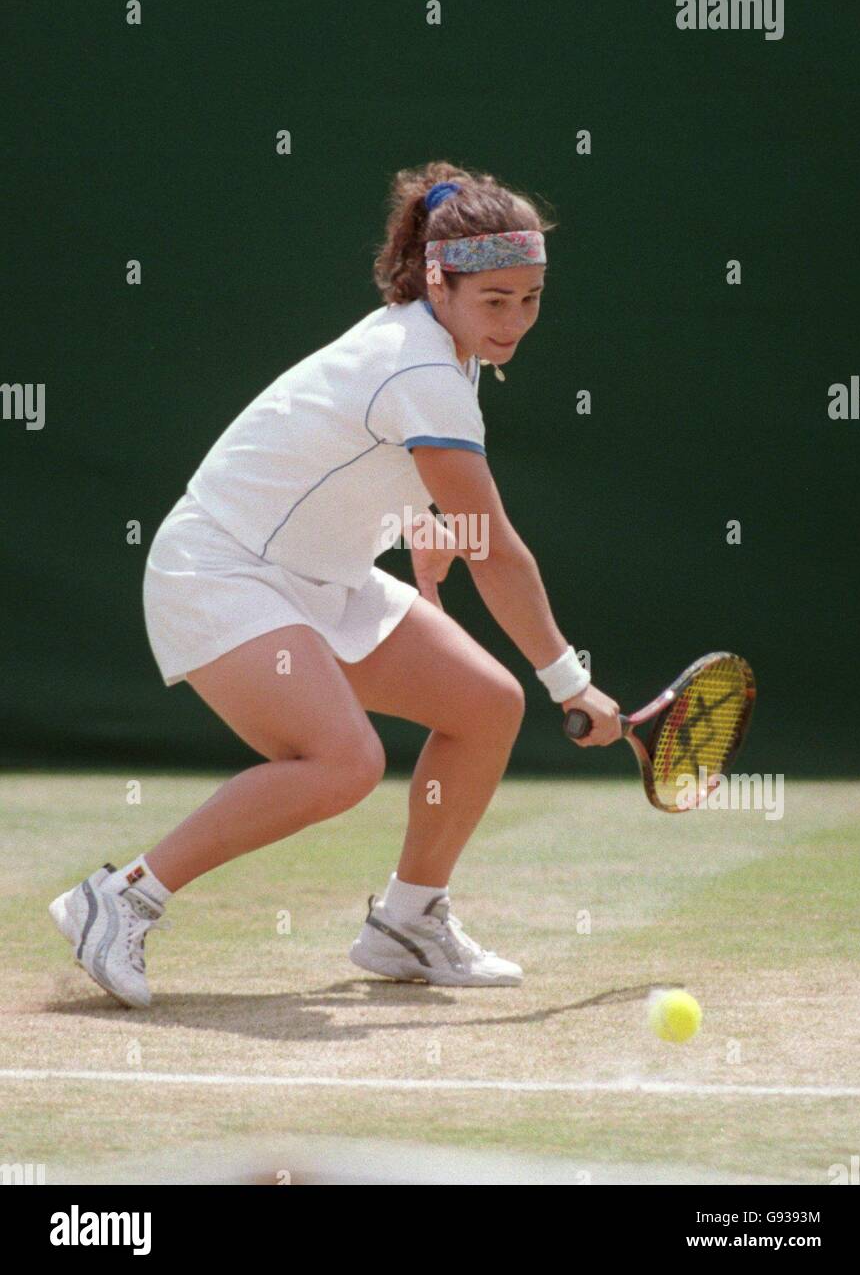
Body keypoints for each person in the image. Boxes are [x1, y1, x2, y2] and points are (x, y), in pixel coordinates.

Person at [49, 160, 622, 1008]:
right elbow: (496, 551)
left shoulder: (444, 347)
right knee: (342, 762)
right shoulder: (419, 368)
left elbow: (347, 454)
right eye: (495, 300)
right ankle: (121, 898)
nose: (513, 322)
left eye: (529, 299)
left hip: (322, 577)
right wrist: (569, 681)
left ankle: (408, 923)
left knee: (485, 707)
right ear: (439, 281)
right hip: (219, 571)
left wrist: (420, 522)